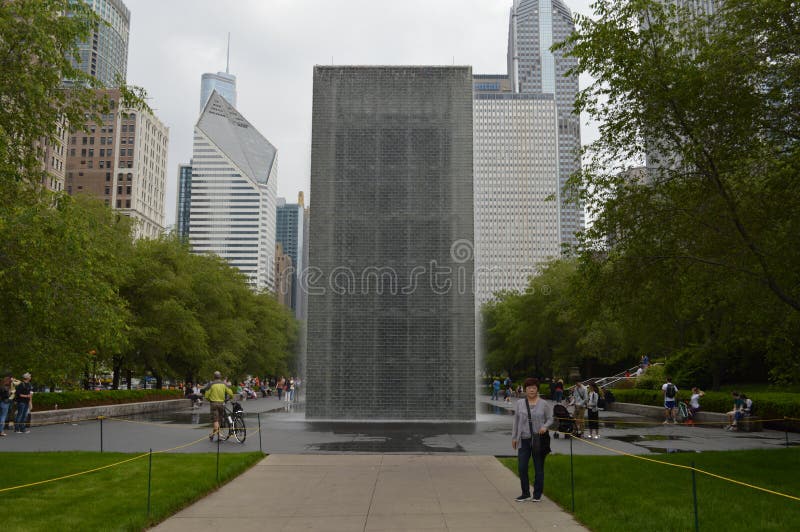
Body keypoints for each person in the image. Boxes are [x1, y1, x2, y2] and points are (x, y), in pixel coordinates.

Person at [511, 378, 553, 502]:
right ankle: (525, 493)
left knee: (538, 467)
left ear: (537, 389)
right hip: (524, 439)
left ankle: (537, 494)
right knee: (522, 467)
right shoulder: (520, 403)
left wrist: (545, 427)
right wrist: (514, 438)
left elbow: (550, 419)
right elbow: (516, 421)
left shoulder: (544, 404)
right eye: (529, 387)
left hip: (538, 440)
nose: (531, 390)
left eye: (534, 387)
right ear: (525, 389)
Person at [204, 371, 233, 441]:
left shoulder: (211, 384)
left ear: (214, 377)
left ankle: (219, 435)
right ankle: (212, 435)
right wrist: (229, 398)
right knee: (218, 420)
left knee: (215, 420)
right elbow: (230, 393)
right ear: (220, 376)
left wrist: (210, 400)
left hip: (214, 403)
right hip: (222, 403)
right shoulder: (224, 384)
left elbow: (206, 395)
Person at [0, 372, 12, 437]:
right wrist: (11, 393)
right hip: (5, 402)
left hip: (1, 401)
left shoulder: (1, 386)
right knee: (3, 417)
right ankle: (1, 431)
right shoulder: (7, 387)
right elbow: (7, 396)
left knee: (1, 416)